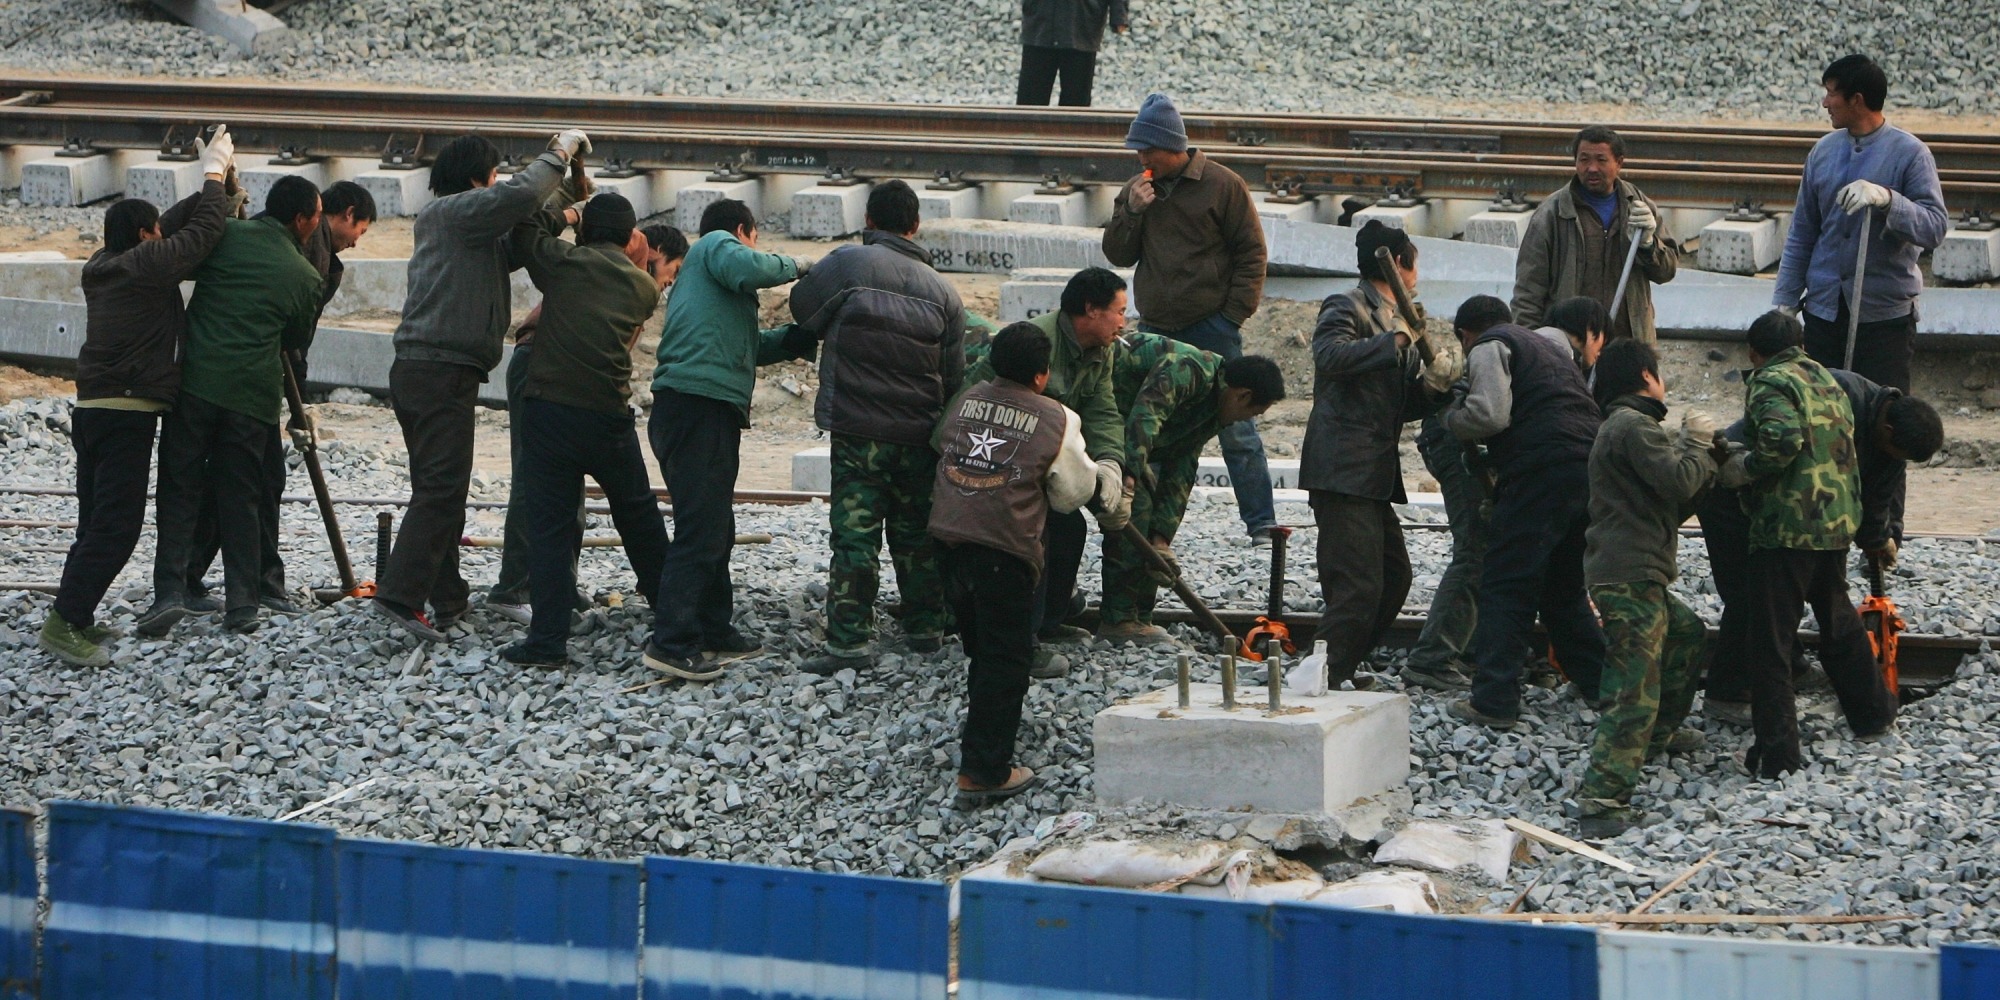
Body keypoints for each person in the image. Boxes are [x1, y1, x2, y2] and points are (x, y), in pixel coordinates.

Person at [374, 128, 592, 642]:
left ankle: (447, 599)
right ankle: (399, 595)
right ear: (477, 179)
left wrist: (570, 206)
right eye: (492, 173)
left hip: (436, 369)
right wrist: (558, 152)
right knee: (442, 487)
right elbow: (516, 197)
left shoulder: (470, 228)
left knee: (440, 485)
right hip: (437, 369)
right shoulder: (455, 213)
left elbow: (524, 222)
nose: (497, 181)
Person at [36, 127, 234, 666]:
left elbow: (173, 226)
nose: (160, 239)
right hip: (126, 414)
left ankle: (78, 611)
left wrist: (212, 189)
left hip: (93, 411)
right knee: (118, 528)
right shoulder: (147, 265)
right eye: (154, 234)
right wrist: (213, 176)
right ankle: (63, 624)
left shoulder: (108, 263)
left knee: (92, 521)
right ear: (145, 237)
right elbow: (196, 237)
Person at [1700, 350, 1942, 726]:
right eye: (1898, 452)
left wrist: (1883, 538)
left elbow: (1878, 496)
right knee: (1752, 594)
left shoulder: (1889, 442)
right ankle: (1728, 692)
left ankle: (1792, 669)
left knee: (1792, 595)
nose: (1897, 460)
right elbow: (1780, 450)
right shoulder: (1836, 392)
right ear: (1889, 431)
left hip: (1799, 511)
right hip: (1734, 491)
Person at [788, 180, 965, 676]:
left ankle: (848, 643)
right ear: (915, 226)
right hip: (918, 437)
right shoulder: (944, 293)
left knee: (855, 538)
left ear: (869, 221)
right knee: (915, 537)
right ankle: (927, 629)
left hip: (858, 431)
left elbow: (804, 312)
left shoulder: (848, 264)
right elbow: (953, 377)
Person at [137, 174, 324, 636]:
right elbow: (296, 339)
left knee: (179, 488)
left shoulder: (225, 235)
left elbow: (184, 259)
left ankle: (169, 593)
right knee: (240, 497)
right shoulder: (305, 275)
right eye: (317, 218)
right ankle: (243, 604)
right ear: (300, 220)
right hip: (251, 397)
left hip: (196, 385)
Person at [184, 179, 378, 615]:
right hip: (253, 382)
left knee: (246, 480)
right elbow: (292, 328)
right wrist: (295, 399)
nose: (356, 242)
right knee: (257, 480)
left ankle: (201, 578)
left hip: (248, 380)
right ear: (343, 214)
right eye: (360, 231)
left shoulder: (315, 250)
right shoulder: (304, 247)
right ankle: (252, 586)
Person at [642, 199, 816, 681]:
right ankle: (671, 641)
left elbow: (748, 347)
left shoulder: (707, 288)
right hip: (697, 406)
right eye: (754, 241)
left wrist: (796, 340)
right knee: (702, 528)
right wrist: (801, 265)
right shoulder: (716, 246)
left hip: (698, 408)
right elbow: (748, 265)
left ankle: (715, 628)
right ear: (744, 231)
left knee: (715, 524)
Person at [496, 193, 670, 667]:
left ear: (587, 231)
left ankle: (546, 642)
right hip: (607, 415)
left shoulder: (564, 263)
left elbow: (527, 228)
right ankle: (676, 622)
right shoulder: (644, 289)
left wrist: (567, 213)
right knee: (639, 518)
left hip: (549, 411)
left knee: (550, 528)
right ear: (631, 235)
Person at [1724, 310, 1897, 777]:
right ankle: (1874, 714)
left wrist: (1743, 469)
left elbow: (1781, 441)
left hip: (1787, 528)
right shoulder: (1827, 379)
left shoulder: (1770, 381)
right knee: (1838, 621)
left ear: (1755, 353)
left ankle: (1777, 757)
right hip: (1835, 521)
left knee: (1771, 643)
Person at [932, 322, 1097, 804]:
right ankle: (984, 772)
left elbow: (943, 445)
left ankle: (980, 742)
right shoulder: (1056, 417)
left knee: (982, 649)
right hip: (1002, 549)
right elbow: (1071, 493)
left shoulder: (966, 400)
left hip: (947, 540)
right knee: (1008, 660)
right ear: (1042, 375)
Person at [1102, 93, 1277, 546]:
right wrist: (1132, 212)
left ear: (1172, 146)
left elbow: (1252, 253)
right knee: (1155, 428)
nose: (1141, 159)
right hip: (1157, 329)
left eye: (1148, 151)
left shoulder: (1223, 185)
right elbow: (1117, 253)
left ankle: (1260, 523)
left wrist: (1233, 315)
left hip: (1210, 326)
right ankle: (1150, 526)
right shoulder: (1137, 189)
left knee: (1236, 427)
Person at [1301, 222, 1459, 687]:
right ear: (1402, 262)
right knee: (1358, 586)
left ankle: (1339, 667)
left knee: (1393, 578)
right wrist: (1399, 341)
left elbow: (1396, 400)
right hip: (1342, 466)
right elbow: (1329, 355)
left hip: (1371, 472)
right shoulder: (1348, 305)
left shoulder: (1395, 317)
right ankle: (1319, 678)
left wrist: (1430, 390)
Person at [1573, 339, 1719, 838]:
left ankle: (1656, 737)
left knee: (1685, 636)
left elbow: (1666, 504)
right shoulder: (1634, 426)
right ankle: (1602, 799)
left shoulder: (1624, 428)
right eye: (1658, 375)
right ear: (1645, 376)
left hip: (1631, 571)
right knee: (1633, 687)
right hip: (1629, 575)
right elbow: (1678, 483)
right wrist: (1697, 445)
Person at [1443, 312, 1607, 730]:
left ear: (1466, 335)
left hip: (1541, 470)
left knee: (1506, 583)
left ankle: (1494, 700)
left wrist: (1452, 421)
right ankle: (1603, 684)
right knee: (1563, 590)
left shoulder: (1490, 344)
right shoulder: (1552, 353)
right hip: (1587, 466)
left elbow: (1489, 415)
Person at [960, 267, 1129, 652]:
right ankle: (1024, 639)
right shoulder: (1035, 343)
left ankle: (1049, 622)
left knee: (1069, 530)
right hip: (1004, 467)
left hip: (1044, 465)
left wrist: (1110, 463)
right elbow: (975, 407)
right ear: (1091, 310)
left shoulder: (1101, 351)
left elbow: (1103, 409)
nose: (1124, 321)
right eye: (1119, 311)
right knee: (1032, 540)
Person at [1773, 54, 1947, 392]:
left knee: (1881, 418)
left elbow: (1935, 227)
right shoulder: (1822, 152)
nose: (1825, 102)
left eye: (1831, 93)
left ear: (1857, 100)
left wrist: (1888, 200)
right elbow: (1803, 232)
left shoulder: (1911, 154)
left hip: (1883, 320)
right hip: (1824, 314)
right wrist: (1786, 300)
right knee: (1824, 415)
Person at [1100, 352, 1286, 644]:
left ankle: (1140, 618)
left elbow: (1182, 466)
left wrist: (1162, 541)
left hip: (1125, 433)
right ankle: (1118, 619)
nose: (1248, 421)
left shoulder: (1216, 407)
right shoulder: (1187, 371)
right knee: (1137, 510)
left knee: (1150, 529)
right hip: (1098, 416)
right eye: (1253, 414)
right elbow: (1144, 421)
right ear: (1242, 395)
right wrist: (1129, 481)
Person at [1404, 295, 1512, 690]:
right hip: (1455, 444)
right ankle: (1432, 658)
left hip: (1460, 444)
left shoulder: (1489, 351)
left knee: (1485, 550)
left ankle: (1466, 649)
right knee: (1475, 551)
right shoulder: (1482, 355)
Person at [1512, 126, 1677, 344]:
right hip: (1573, 345)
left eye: (1601, 160)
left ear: (1619, 163)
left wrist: (1648, 245)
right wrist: (1532, 347)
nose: (1591, 168)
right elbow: (1528, 292)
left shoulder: (1639, 208)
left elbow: (1667, 272)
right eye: (1584, 160)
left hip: (1629, 342)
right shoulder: (1551, 215)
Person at [1016, 0, 1128, 107]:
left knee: (1076, 105)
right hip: (1040, 23)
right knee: (1029, 105)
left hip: (1082, 23)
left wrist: (1119, 14)